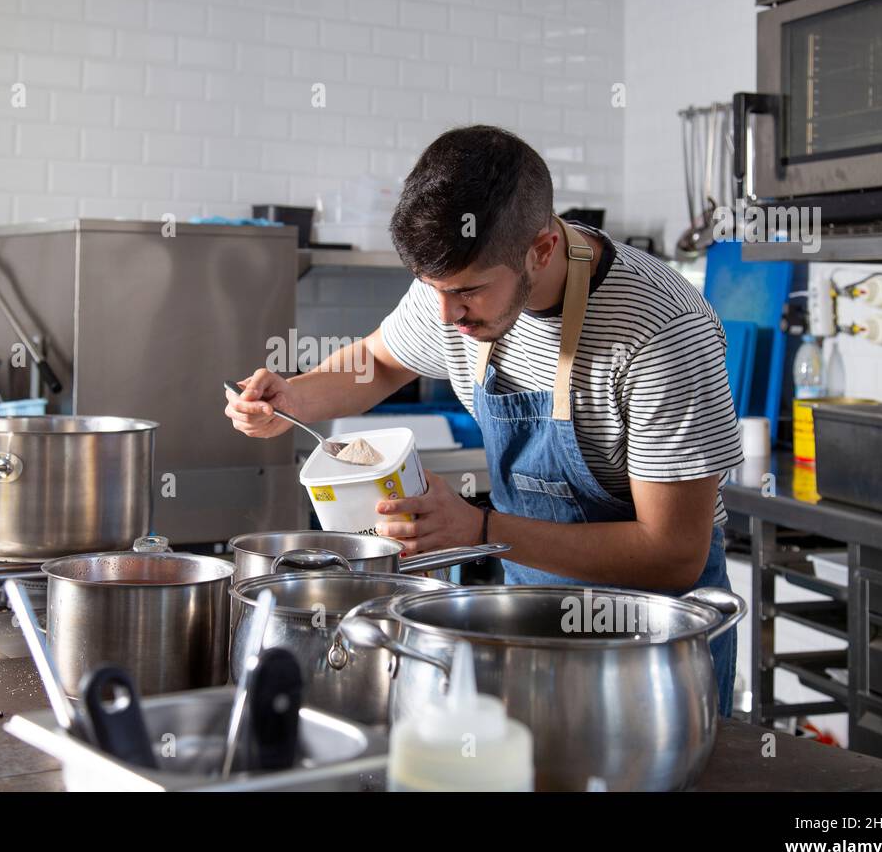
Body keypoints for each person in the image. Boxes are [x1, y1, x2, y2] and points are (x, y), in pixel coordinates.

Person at [225, 125, 743, 715]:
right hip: (522, 626)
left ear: (542, 250)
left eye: (468, 292)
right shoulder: (451, 289)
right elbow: (380, 361)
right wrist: (291, 398)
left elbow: (673, 550)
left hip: (651, 653)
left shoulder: (659, 329)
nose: (446, 315)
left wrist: (478, 530)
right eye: (433, 289)